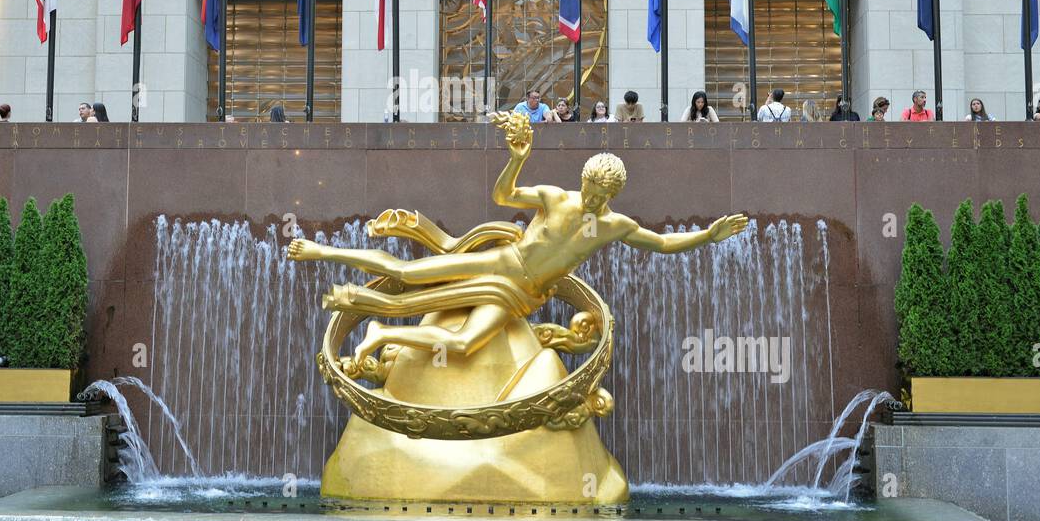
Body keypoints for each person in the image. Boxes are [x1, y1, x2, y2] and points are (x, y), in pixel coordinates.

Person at [286, 110, 748, 367]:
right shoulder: (554, 197)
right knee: (407, 273)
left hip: (521, 298)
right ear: (582, 180)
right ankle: (322, 251)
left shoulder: (614, 225)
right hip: (499, 265)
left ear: (614, 194)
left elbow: (662, 245)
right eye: (588, 187)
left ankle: (383, 331)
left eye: (601, 193)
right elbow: (504, 194)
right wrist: (517, 157)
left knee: (465, 346)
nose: (590, 197)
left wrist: (709, 235)